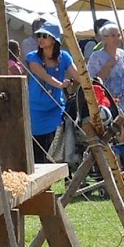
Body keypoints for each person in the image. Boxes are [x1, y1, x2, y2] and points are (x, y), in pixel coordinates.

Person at [25, 21, 76, 163]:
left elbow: (77, 74)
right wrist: (61, 84)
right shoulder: (32, 57)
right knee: (37, 150)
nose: (40, 39)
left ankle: (53, 179)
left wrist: (90, 82)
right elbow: (44, 75)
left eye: (45, 36)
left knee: (54, 147)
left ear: (54, 40)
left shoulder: (64, 57)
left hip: (56, 109)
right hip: (36, 109)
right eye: (39, 35)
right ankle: (41, 183)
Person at [85, 23, 124, 126]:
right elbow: (93, 82)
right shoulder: (96, 57)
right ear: (104, 38)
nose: (117, 38)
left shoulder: (123, 54)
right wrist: (108, 65)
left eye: (118, 35)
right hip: (108, 106)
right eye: (113, 36)